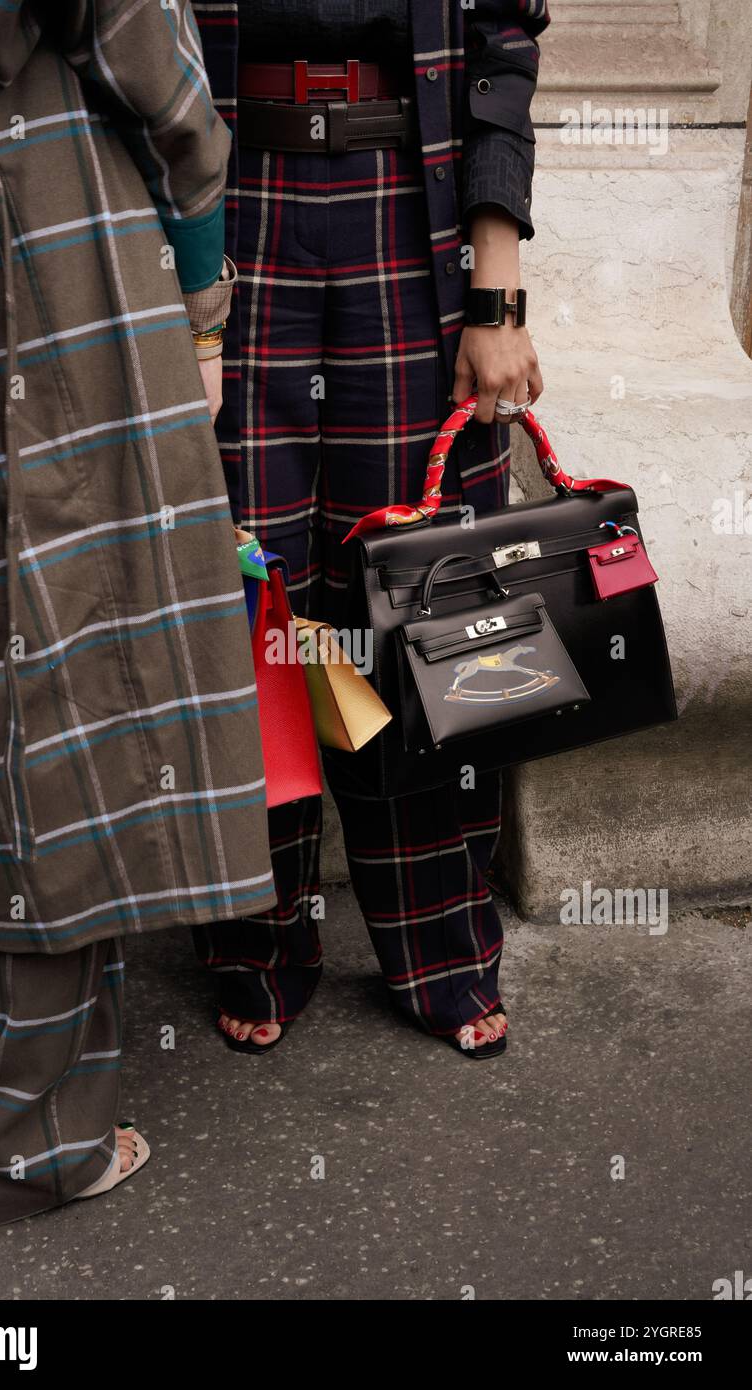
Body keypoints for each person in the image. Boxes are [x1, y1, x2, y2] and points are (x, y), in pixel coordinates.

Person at [0, 0, 276, 1229]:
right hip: (36, 248)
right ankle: (30, 1131)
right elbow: (148, 64)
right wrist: (203, 284)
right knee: (54, 667)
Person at [191, 0, 549, 1057]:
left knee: (427, 588)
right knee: (251, 595)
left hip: (410, 214)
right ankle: (254, 938)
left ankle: (441, 945)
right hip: (224, 215)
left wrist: (497, 301)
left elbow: (499, 47)